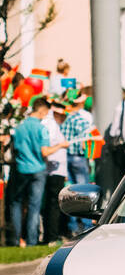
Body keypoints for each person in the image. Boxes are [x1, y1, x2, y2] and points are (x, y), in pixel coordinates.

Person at [5, 97, 67, 247]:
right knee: (34, 206)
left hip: (21, 168)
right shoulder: (41, 129)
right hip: (38, 170)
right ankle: (32, 241)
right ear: (42, 111)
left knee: (16, 203)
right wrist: (60, 145)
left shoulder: (19, 127)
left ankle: (15, 240)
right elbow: (45, 151)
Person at [61, 92, 96, 235]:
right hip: (78, 158)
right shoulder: (81, 120)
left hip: (66, 156)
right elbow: (84, 143)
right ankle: (87, 224)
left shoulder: (66, 118)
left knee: (70, 193)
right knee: (84, 192)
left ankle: (73, 225)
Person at [42, 98, 70, 243]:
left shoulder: (52, 124)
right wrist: (62, 145)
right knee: (53, 205)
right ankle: (51, 236)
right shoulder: (51, 125)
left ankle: (51, 235)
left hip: (55, 170)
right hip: (53, 170)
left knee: (51, 204)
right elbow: (48, 147)